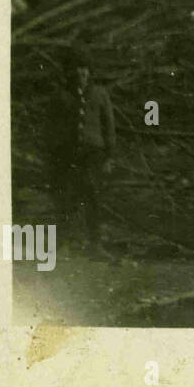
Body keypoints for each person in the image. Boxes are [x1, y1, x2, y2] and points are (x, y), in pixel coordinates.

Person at [46, 47, 116, 251]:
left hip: (93, 153)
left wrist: (110, 156)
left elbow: (109, 126)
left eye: (84, 69)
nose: (80, 73)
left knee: (92, 194)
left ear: (90, 71)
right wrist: (53, 153)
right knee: (66, 196)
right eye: (76, 69)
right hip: (67, 153)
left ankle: (96, 243)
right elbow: (50, 127)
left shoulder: (100, 94)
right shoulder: (60, 96)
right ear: (70, 71)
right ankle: (65, 242)